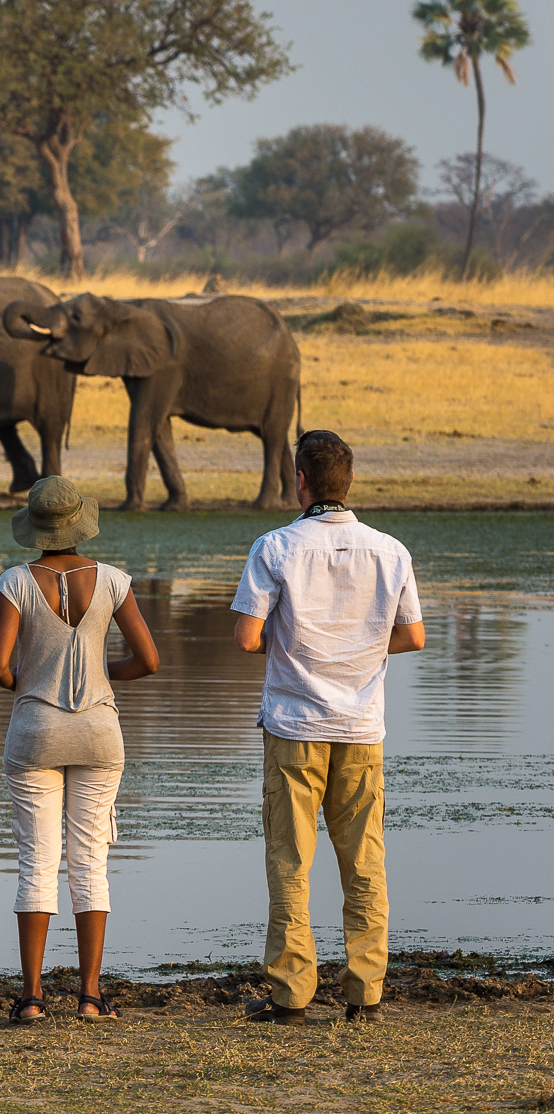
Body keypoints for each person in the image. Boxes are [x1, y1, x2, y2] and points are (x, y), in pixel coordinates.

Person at [232, 430, 424, 1025]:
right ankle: (365, 992)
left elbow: (245, 637)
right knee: (364, 862)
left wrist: (296, 649)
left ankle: (292, 993)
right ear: (349, 483)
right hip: (363, 727)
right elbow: (414, 636)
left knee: (291, 860)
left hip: (293, 726)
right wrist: (363, 651)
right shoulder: (390, 550)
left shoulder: (275, 546)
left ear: (301, 481)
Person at [0, 476, 159, 1025]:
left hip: (34, 730)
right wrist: (101, 679)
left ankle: (32, 999)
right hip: (100, 733)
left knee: (37, 863)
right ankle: (89, 997)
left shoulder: (15, 581)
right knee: (91, 864)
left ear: (35, 528)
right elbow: (149, 660)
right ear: (81, 523)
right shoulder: (112, 581)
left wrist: (36, 683)